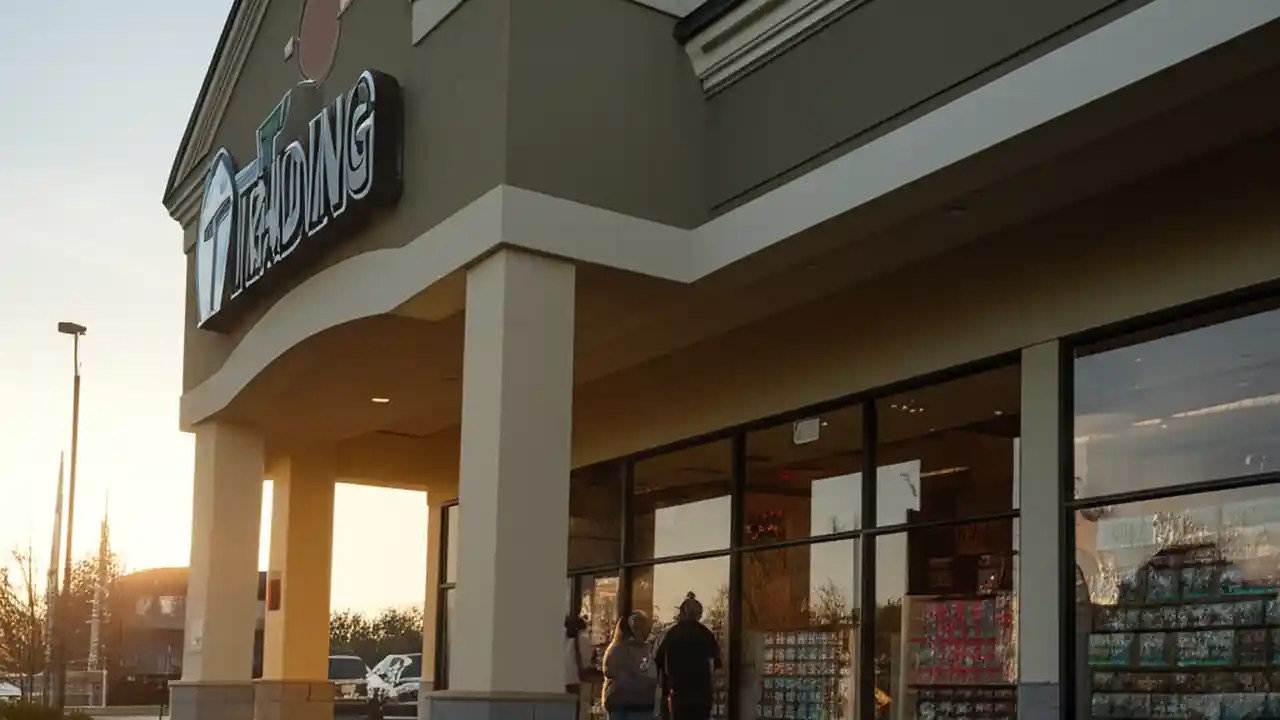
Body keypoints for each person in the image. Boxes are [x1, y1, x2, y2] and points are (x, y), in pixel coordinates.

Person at [654, 593, 721, 720]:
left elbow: (658, 663)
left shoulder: (671, 634)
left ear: (682, 613)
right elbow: (716, 666)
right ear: (699, 614)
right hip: (702, 694)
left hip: (679, 693)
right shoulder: (706, 634)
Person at [602, 612, 657, 720]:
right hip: (641, 705)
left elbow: (609, 670)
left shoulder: (615, 649)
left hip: (617, 702)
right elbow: (650, 674)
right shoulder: (644, 650)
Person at [565, 615, 595, 720]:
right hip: (578, 680)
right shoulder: (582, 639)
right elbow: (586, 661)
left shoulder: (567, 640)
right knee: (582, 708)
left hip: (569, 678)